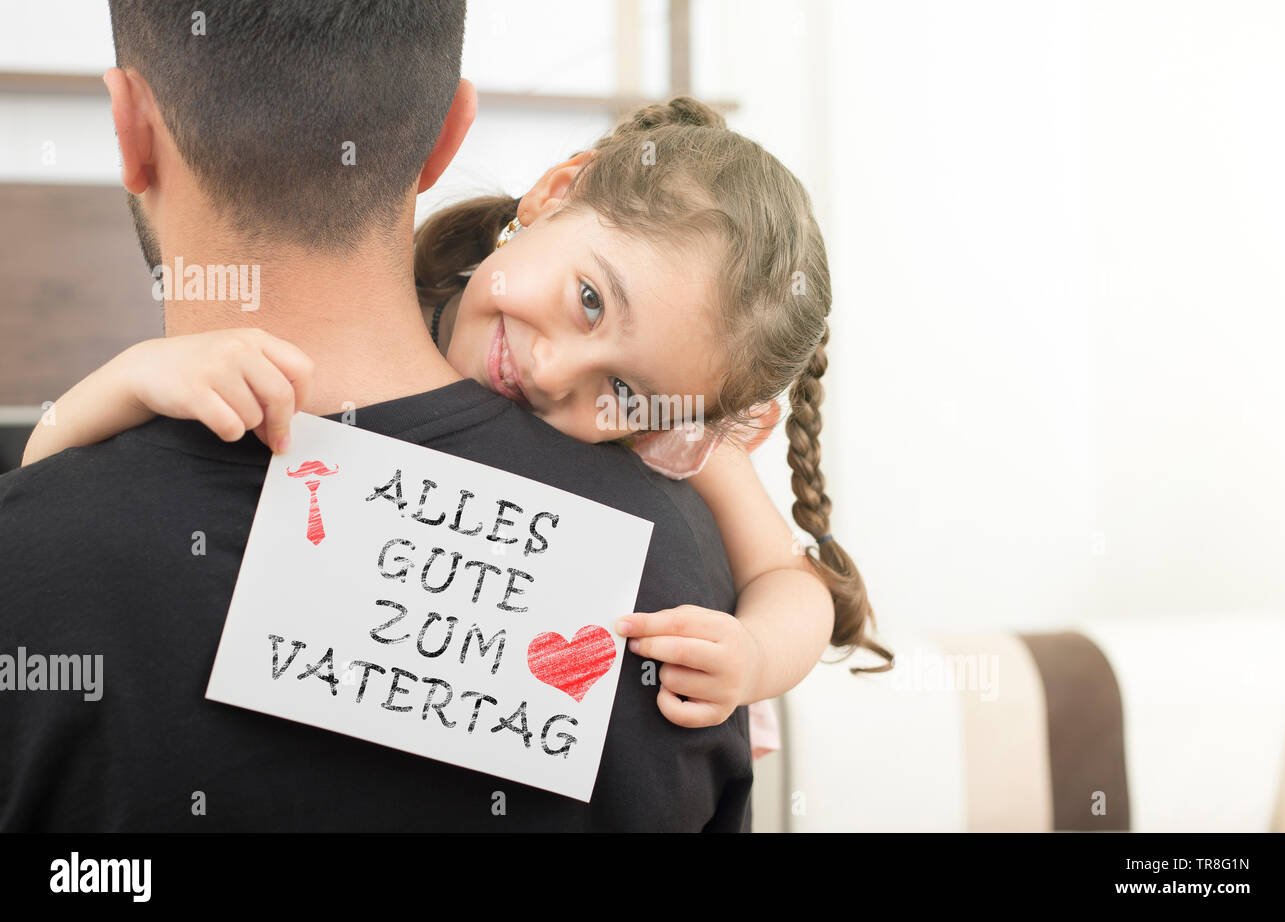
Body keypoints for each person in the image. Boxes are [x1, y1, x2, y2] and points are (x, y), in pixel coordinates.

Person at [0, 1, 751, 832]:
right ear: (447, 134)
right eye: (589, 301)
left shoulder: (26, 563)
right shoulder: (686, 611)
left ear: (129, 129)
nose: (552, 369)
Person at [22, 99, 897, 764]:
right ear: (555, 194)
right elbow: (41, 472)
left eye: (625, 391)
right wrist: (134, 376)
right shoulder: (348, 332)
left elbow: (792, 583)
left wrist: (753, 655)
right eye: (590, 301)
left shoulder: (667, 442)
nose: (555, 372)